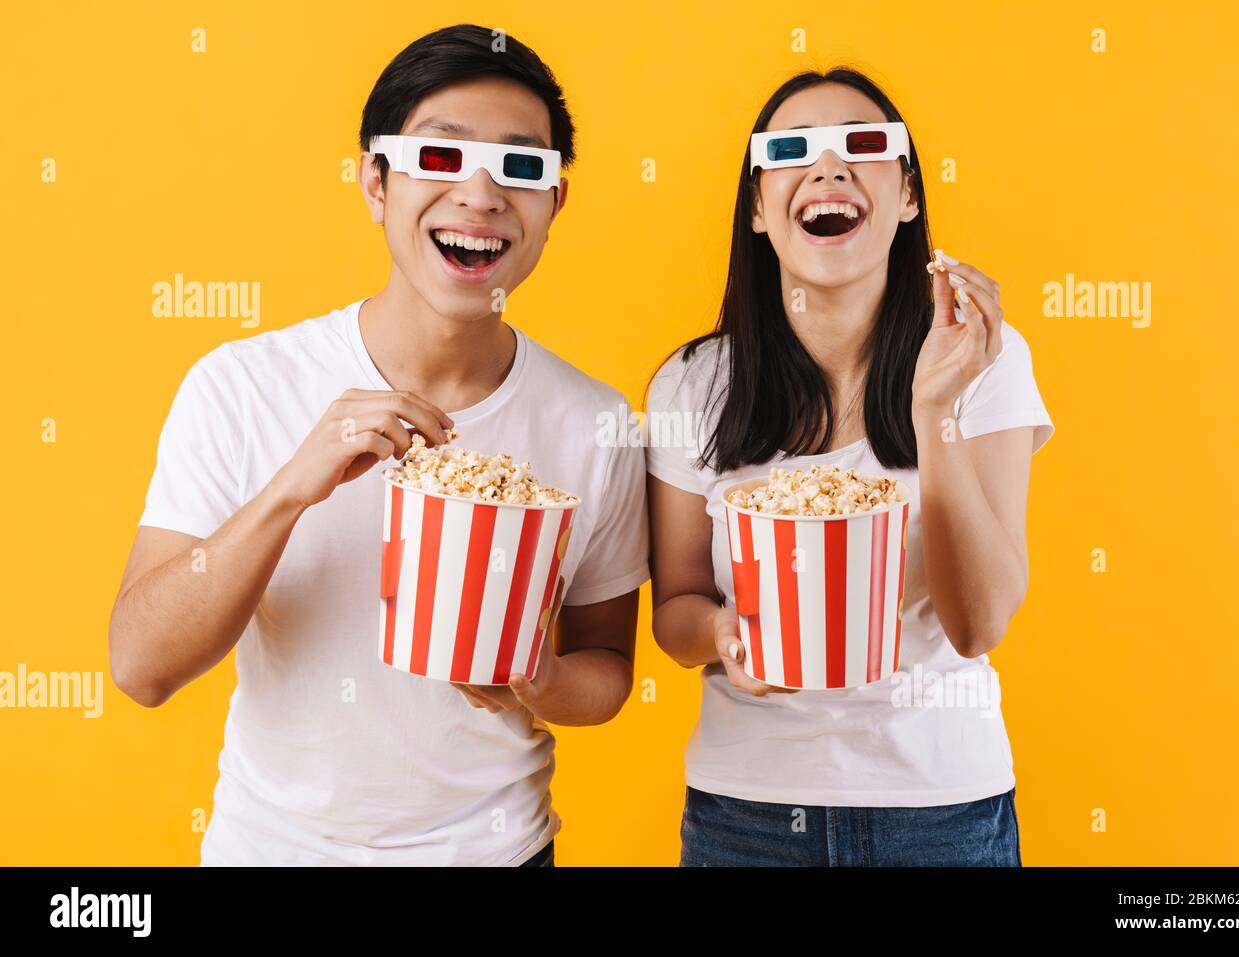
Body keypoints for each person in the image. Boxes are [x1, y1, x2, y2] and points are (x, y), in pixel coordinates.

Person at [109, 24, 649, 866]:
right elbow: (141, 666)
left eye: (521, 166)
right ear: (374, 182)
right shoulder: (243, 384)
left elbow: (607, 670)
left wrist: (536, 679)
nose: (480, 194)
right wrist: (294, 485)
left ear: (554, 205)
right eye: (440, 159)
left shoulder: (596, 423)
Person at [646, 67, 1054, 866]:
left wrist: (934, 410)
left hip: (940, 808)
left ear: (906, 196)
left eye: (863, 147)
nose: (829, 169)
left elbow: (978, 624)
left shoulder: (984, 361)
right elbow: (677, 613)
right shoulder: (693, 384)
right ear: (759, 210)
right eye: (793, 151)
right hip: (747, 811)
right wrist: (727, 636)